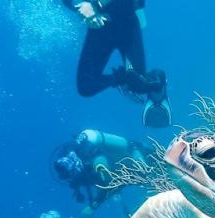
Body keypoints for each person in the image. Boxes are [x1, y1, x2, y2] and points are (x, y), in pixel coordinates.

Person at [62, 0, 172, 128]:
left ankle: (158, 83)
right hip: (99, 26)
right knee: (86, 87)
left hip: (127, 22)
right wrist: (79, 6)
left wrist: (95, 5)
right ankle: (122, 79)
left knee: (138, 85)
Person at [53, 129, 152, 215]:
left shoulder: (88, 163)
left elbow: (108, 185)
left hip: (135, 158)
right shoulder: (81, 165)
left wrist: (93, 206)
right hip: (131, 160)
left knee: (146, 172)